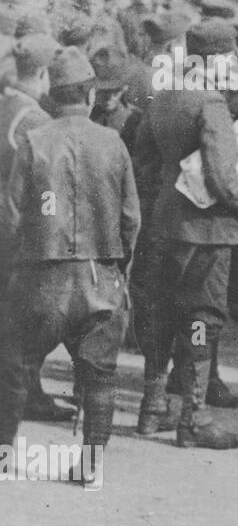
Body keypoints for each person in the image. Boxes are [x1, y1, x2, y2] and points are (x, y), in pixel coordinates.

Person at [0, 47, 140, 487]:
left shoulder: (34, 141)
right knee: (99, 377)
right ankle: (90, 466)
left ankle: (3, 457)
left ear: (51, 96)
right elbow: (131, 218)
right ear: (92, 93)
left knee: (15, 367)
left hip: (41, 277)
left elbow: (12, 215)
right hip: (100, 278)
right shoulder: (113, 142)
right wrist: (118, 269)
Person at [129, 21, 238, 449]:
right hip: (207, 230)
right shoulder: (212, 103)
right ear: (220, 58)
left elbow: (141, 158)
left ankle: (151, 409)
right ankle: (194, 419)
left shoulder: (164, 95)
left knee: (162, 311)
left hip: (164, 224)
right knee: (202, 318)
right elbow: (222, 176)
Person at [0, 33, 76, 423]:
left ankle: (29, 393)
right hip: (17, 233)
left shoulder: (7, 104)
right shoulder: (36, 120)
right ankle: (24, 397)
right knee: (24, 322)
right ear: (44, 73)